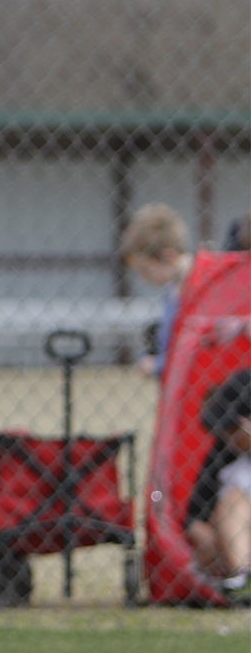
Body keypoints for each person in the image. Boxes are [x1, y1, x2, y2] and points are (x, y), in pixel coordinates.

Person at [186, 370, 251, 601]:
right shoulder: (223, 456)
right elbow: (195, 518)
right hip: (234, 542)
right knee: (234, 500)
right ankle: (243, 574)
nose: (227, 437)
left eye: (233, 429)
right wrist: (208, 543)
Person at [120, 203, 192, 379]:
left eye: (145, 269)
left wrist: (158, 365)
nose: (143, 278)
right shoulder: (173, 290)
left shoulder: (198, 286)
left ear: (169, 256)